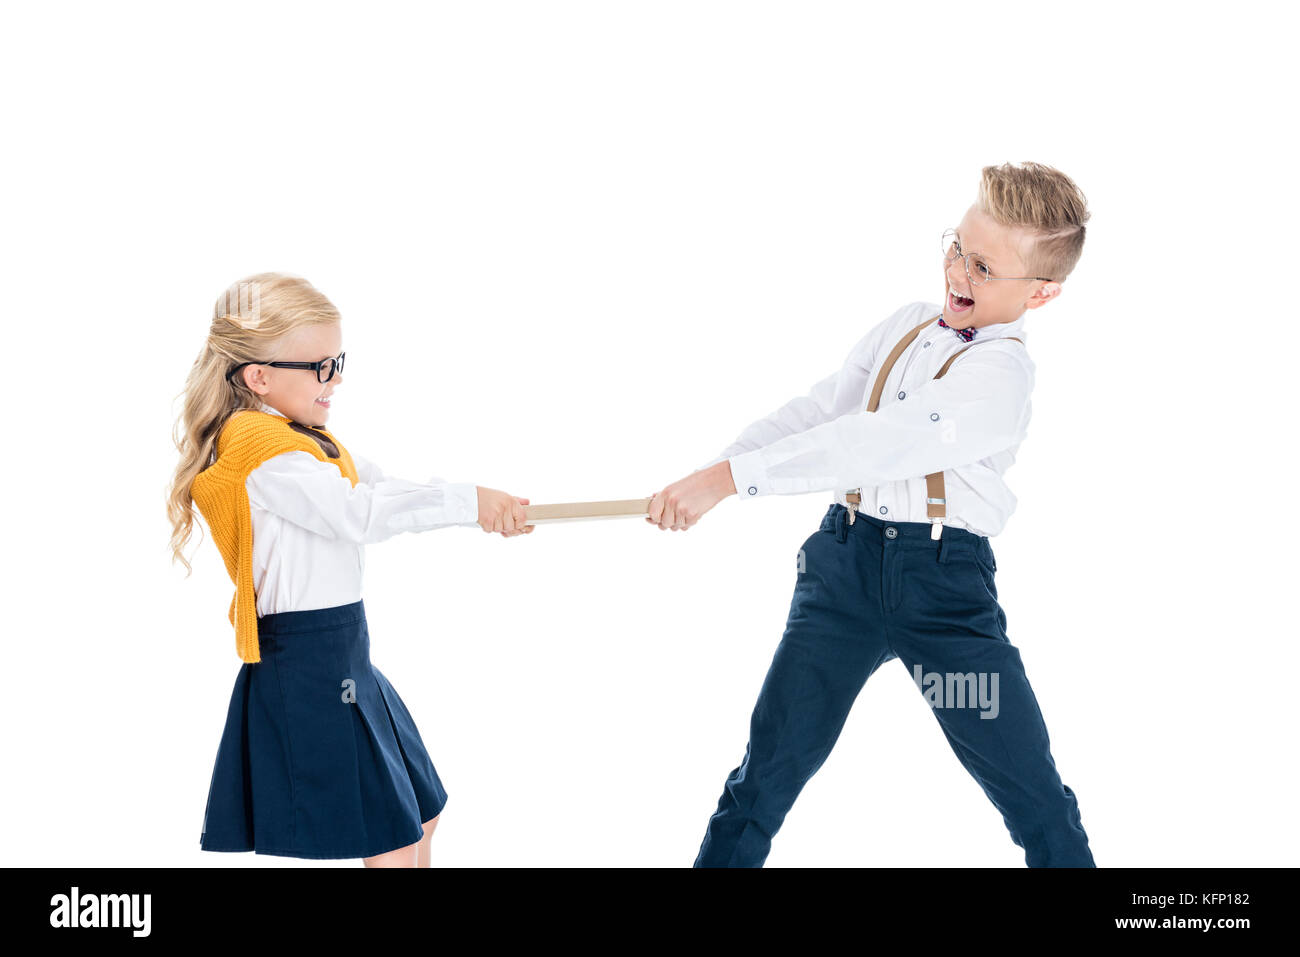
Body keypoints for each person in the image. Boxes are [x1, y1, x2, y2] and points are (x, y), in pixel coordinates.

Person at [646, 162, 1096, 867]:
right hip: (843, 576)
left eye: (984, 266)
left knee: (1033, 795)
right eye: (957, 246)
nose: (958, 271)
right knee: (762, 778)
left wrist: (734, 479)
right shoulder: (907, 326)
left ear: (1042, 292)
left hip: (942, 595)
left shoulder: (1000, 378)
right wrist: (715, 473)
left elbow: (873, 445)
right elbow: (824, 411)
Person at [166, 272, 533, 867]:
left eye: (338, 361)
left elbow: (376, 483)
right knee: (388, 837)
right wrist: (469, 502)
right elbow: (357, 512)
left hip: (345, 649)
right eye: (319, 367)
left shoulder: (299, 439)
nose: (334, 379)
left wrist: (479, 504)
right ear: (258, 377)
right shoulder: (263, 453)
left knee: (420, 812)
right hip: (309, 661)